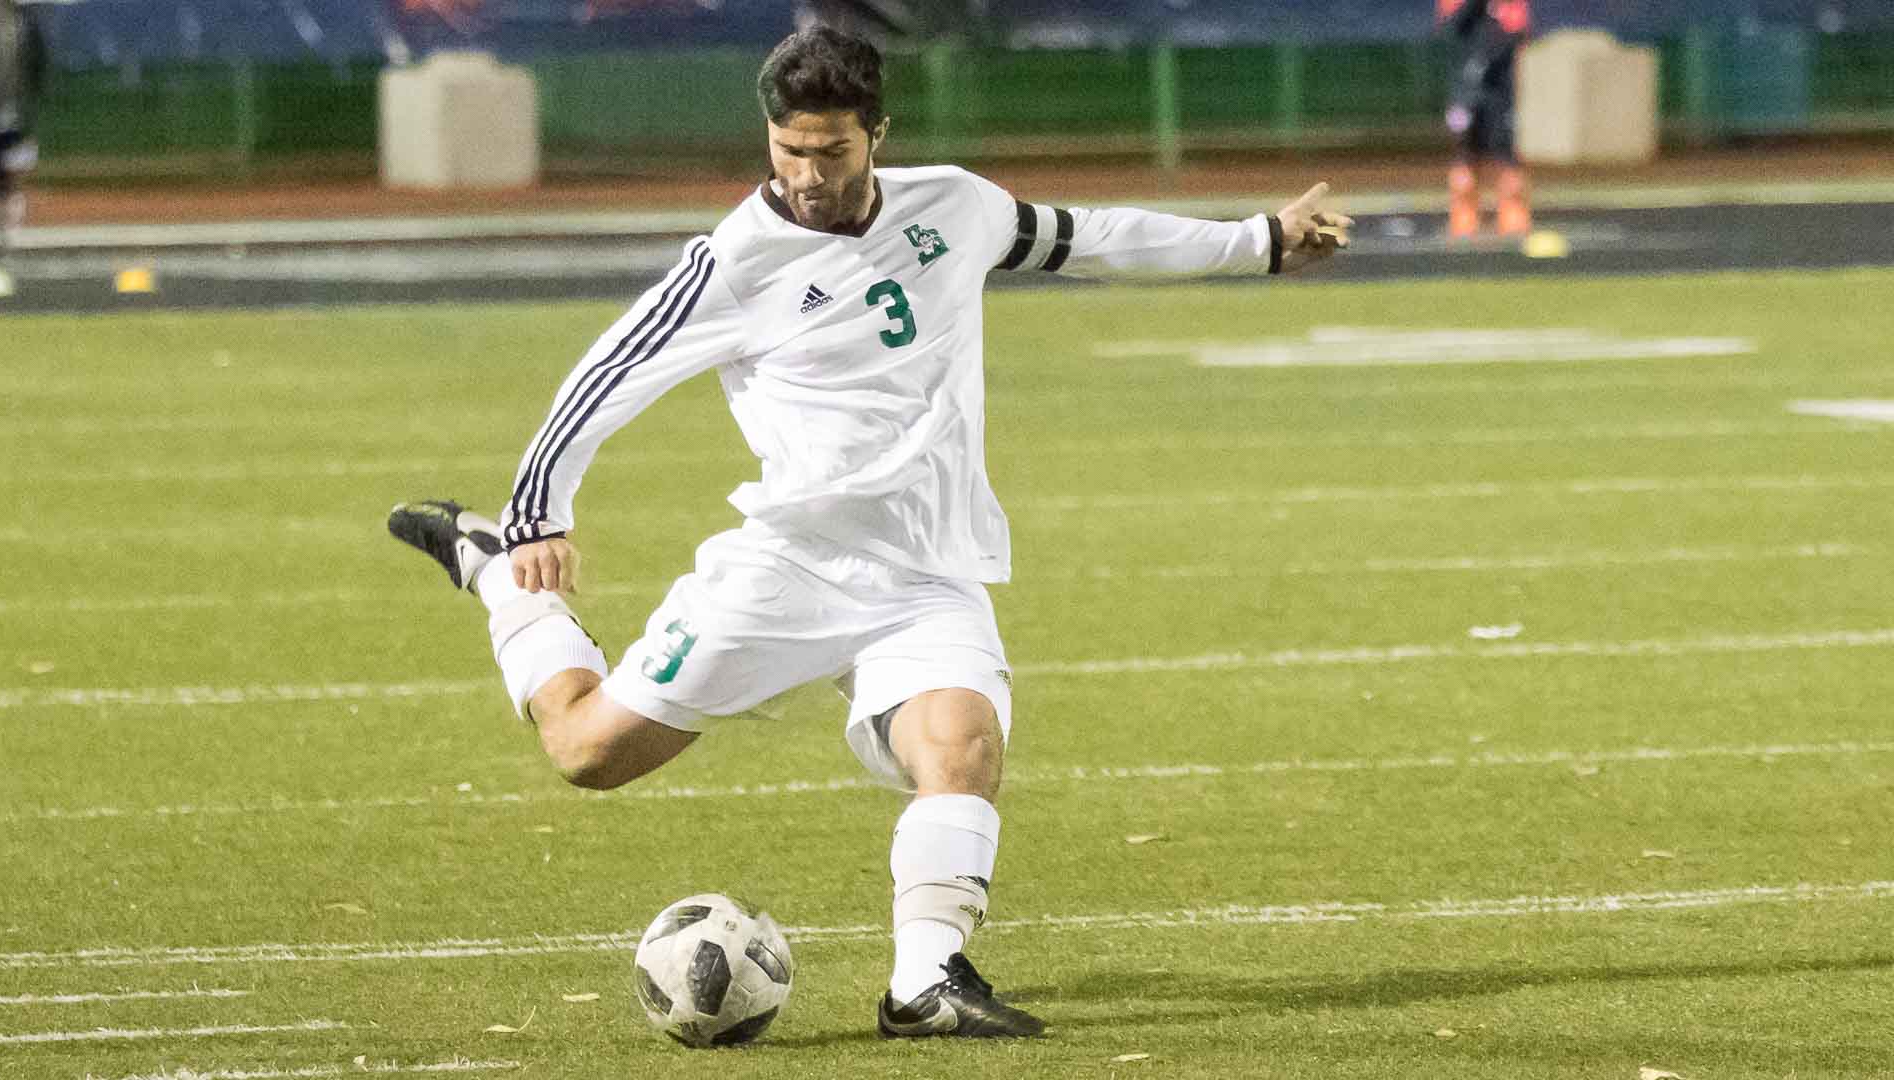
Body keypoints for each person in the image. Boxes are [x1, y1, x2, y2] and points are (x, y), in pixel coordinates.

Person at [388, 25, 1348, 1040]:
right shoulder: (733, 263)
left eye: (830, 153)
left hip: (926, 572)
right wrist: (540, 513)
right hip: (789, 567)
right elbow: (605, 374)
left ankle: (925, 985)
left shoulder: (956, 206)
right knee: (586, 753)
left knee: (962, 746)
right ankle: (496, 579)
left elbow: (1091, 235)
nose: (806, 176)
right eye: (788, 151)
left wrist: (1262, 241)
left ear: (875, 134)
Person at [1438, 0, 1530, 238]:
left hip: (1500, 93)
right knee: (1465, 157)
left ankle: (1513, 219)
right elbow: (1451, 28)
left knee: (1506, 157)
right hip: (1465, 90)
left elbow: (1518, 33)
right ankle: (1464, 219)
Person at [0, 0, 45, 256]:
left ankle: (6, 239)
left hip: (10, 111)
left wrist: (26, 108)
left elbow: (34, 65)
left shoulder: (21, 19)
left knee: (8, 175)